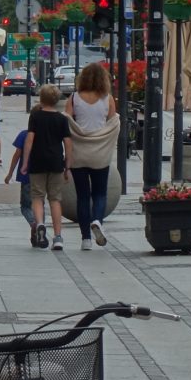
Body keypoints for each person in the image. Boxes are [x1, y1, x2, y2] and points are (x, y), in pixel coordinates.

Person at [66, 62, 120, 249]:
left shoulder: (74, 98)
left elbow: (67, 123)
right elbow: (112, 123)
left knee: (82, 196)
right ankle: (97, 220)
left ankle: (85, 239)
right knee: (99, 193)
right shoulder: (108, 99)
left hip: (79, 154)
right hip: (100, 154)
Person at [22, 84, 73, 250]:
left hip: (37, 161)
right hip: (56, 161)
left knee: (37, 196)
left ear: (41, 99)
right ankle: (58, 237)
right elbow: (68, 143)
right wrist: (68, 166)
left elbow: (29, 140)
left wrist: (25, 162)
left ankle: (40, 224)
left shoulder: (35, 117)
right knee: (55, 199)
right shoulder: (62, 119)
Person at [3, 125, 34, 228]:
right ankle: (39, 225)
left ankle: (33, 224)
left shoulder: (24, 134)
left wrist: (10, 173)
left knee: (26, 206)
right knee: (39, 205)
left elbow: (17, 154)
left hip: (26, 176)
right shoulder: (47, 134)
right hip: (42, 175)